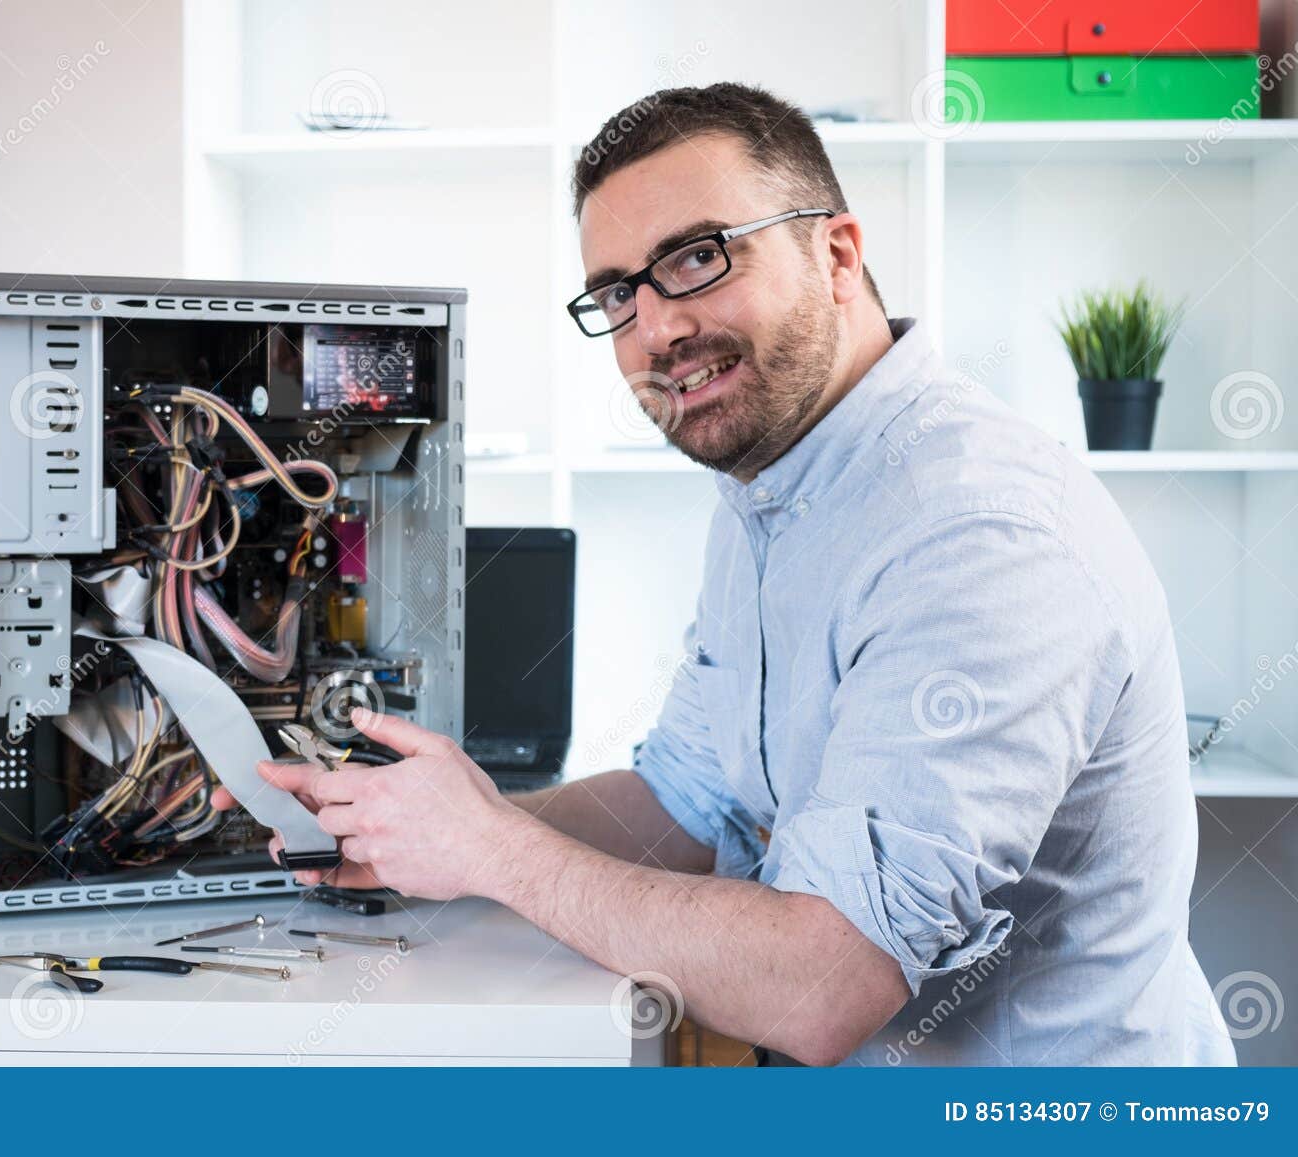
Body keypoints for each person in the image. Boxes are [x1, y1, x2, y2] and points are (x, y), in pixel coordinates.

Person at [214, 83, 1234, 1066]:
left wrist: (492, 851)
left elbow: (825, 983)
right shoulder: (774, 487)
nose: (656, 330)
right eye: (618, 292)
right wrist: (429, 830)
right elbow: (688, 801)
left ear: (835, 254)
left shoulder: (976, 532)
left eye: (698, 258)